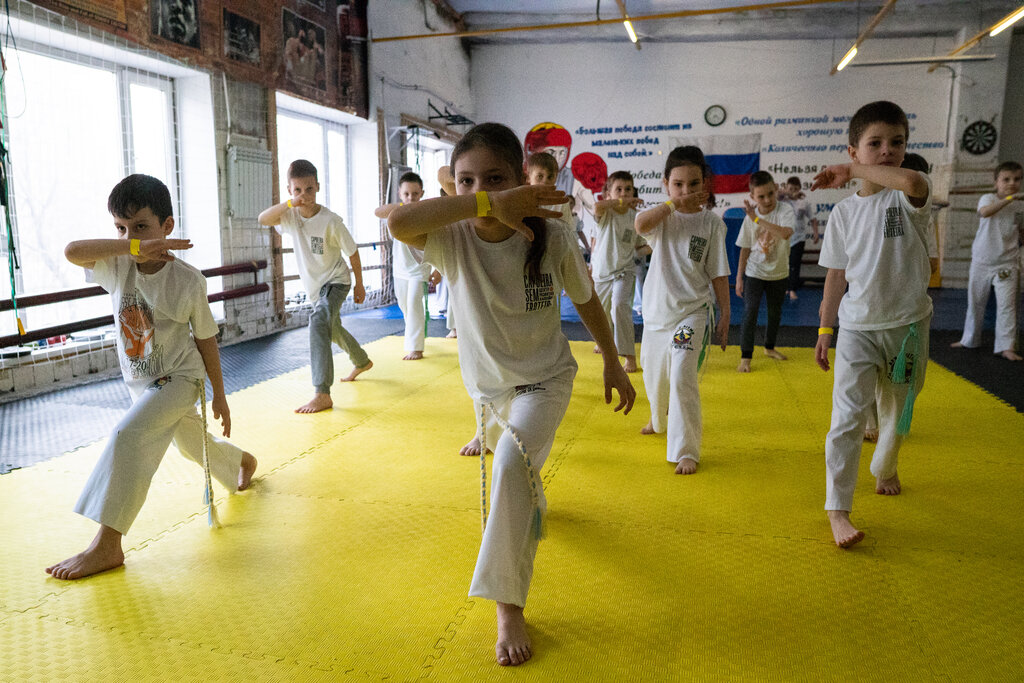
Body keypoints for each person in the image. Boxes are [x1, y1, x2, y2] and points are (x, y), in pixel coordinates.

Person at [388, 122, 635, 667]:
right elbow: (399, 221)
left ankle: (508, 605)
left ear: (522, 178)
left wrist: (613, 362)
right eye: (467, 181)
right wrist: (485, 202)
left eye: (496, 179)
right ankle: (531, 503)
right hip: (489, 388)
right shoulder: (453, 238)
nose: (482, 190)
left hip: (546, 379)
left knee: (509, 460)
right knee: (518, 472)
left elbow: (587, 300)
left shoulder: (552, 234)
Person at [47, 174, 257, 581]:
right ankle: (241, 462)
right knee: (190, 444)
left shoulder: (187, 280)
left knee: (128, 436)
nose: (131, 237)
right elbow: (72, 251)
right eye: (121, 228)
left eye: (141, 226)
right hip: (142, 382)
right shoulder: (118, 265)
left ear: (167, 226)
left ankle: (107, 544)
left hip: (180, 377)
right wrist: (132, 246)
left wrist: (219, 394)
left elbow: (206, 338)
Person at [811, 100, 933, 548]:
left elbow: (913, 181)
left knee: (898, 412)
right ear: (854, 150)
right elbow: (835, 277)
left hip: (908, 327)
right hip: (858, 328)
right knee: (846, 417)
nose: (887, 150)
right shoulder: (844, 213)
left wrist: (852, 170)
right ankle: (837, 509)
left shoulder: (908, 197)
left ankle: (886, 465)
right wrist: (825, 330)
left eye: (896, 142)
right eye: (875, 143)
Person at [635, 146, 731, 475]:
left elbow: (718, 273)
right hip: (656, 316)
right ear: (666, 184)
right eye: (678, 184)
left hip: (691, 314)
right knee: (654, 377)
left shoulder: (712, 224)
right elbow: (640, 224)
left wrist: (726, 313)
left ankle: (686, 449)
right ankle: (658, 419)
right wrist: (672, 204)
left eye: (693, 184)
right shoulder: (663, 217)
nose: (686, 191)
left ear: (705, 184)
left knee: (681, 374)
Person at [258, 159, 372, 413]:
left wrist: (360, 285)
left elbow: (353, 253)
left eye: (309, 189)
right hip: (316, 288)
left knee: (319, 321)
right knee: (333, 329)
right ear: (290, 191)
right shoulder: (290, 216)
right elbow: (263, 218)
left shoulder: (330, 221)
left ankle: (322, 392)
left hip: (336, 281)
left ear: (318, 187)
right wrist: (290, 204)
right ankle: (362, 361)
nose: (304, 196)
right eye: (297, 190)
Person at [951, 160, 1023, 361]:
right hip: (982, 261)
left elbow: (1021, 230)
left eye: (1017, 179)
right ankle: (969, 340)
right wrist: (1010, 199)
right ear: (995, 182)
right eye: (1006, 179)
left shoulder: (1020, 205)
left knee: (1007, 306)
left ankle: (1006, 347)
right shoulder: (988, 198)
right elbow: (985, 212)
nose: (1012, 183)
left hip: (1007, 262)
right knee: (976, 303)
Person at [375, 172, 441, 360]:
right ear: (400, 194)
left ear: (422, 193)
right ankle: (416, 334)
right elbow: (378, 211)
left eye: (415, 194)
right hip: (400, 269)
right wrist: (404, 206)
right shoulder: (396, 213)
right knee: (405, 306)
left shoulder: (427, 214)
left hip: (420, 269)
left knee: (413, 305)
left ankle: (416, 347)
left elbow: (438, 242)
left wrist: (437, 270)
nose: (411, 197)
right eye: (406, 194)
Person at [735, 171, 795, 372]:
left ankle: (769, 347)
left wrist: (757, 220)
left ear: (776, 188)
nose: (768, 200)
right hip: (754, 272)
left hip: (779, 272)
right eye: (761, 196)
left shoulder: (785, 210)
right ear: (752, 196)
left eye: (770, 193)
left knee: (775, 313)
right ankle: (746, 356)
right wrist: (739, 277)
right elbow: (745, 247)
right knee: (750, 311)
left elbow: (785, 234)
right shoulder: (749, 219)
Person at [590, 171, 647, 373]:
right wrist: (619, 202)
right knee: (601, 312)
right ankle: (603, 341)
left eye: (628, 189)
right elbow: (597, 207)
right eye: (619, 190)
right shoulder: (605, 213)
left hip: (624, 271)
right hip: (601, 273)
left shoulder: (635, 217)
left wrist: (656, 246)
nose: (623, 193)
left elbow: (640, 247)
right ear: (609, 194)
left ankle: (629, 357)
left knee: (619, 307)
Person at [781, 176, 820, 300]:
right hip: (784, 238)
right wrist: (787, 193)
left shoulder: (804, 203)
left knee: (794, 264)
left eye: (795, 189)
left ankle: (792, 289)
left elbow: (812, 219)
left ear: (799, 189)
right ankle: (784, 288)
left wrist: (816, 233)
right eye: (790, 188)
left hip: (799, 238)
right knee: (784, 264)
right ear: (786, 188)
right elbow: (776, 194)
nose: (793, 191)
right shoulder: (782, 201)